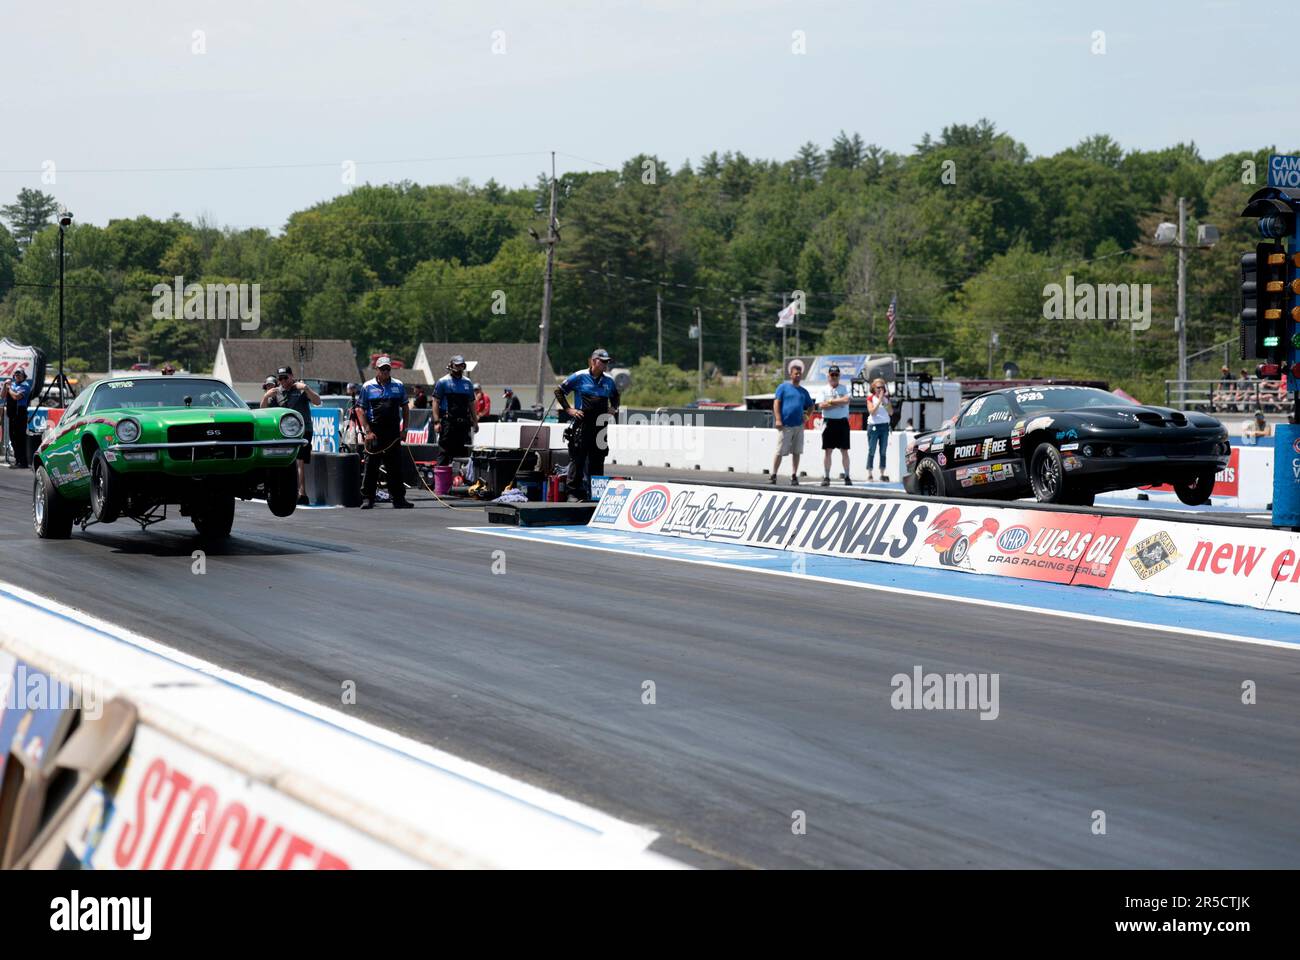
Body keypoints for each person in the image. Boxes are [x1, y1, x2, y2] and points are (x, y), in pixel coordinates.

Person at [556, 348, 620, 501]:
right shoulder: (579, 376)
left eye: (607, 362)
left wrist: (614, 408)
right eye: (602, 361)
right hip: (582, 424)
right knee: (578, 459)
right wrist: (568, 409)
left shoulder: (609, 381)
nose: (605, 365)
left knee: (598, 459)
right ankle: (573, 492)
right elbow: (559, 391)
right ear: (593, 361)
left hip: (601, 426)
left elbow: (616, 396)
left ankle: (596, 494)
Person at [357, 357, 412, 509]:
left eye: (388, 369)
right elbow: (360, 409)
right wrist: (367, 431)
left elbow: (405, 408)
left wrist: (404, 429)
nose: (386, 372)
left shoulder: (398, 385)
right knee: (371, 467)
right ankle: (368, 498)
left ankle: (398, 498)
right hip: (375, 431)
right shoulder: (368, 386)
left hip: (393, 432)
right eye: (383, 369)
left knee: (395, 467)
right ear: (377, 370)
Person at [261, 366, 320, 504]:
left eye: (285, 377)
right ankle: (283, 490)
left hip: (303, 430)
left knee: (299, 460)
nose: (283, 381)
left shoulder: (300, 389)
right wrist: (266, 396)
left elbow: (317, 402)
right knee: (285, 460)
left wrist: (306, 388)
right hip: (284, 431)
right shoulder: (276, 392)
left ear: (292, 376)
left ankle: (302, 493)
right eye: (280, 379)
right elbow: (263, 412)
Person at [770, 359, 814, 485]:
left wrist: (807, 417)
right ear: (791, 374)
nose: (798, 375)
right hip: (785, 425)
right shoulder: (783, 387)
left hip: (799, 426)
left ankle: (794, 475)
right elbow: (776, 403)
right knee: (780, 451)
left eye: (800, 374)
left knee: (796, 451)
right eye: (796, 373)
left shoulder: (803, 391)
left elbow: (811, 406)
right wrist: (778, 419)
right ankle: (773, 474)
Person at [432, 355, 478, 468]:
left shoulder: (467, 382)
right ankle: (440, 483)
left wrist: (475, 422)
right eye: (456, 365)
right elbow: (435, 402)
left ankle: (460, 481)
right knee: (444, 452)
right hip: (447, 422)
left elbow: (471, 403)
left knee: (461, 454)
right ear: (451, 366)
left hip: (462, 423)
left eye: (461, 365)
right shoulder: (443, 382)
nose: (459, 368)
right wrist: (437, 422)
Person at [816, 364, 852, 486]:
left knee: (844, 451)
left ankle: (847, 476)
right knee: (827, 451)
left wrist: (830, 401)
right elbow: (821, 405)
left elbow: (846, 401)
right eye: (832, 375)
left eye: (836, 375)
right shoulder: (823, 389)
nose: (834, 377)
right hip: (829, 422)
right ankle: (826, 477)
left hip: (842, 422)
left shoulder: (844, 388)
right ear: (828, 376)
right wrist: (838, 402)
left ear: (839, 376)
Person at [865, 377, 893, 482]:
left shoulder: (886, 399)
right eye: (878, 387)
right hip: (874, 427)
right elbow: (872, 412)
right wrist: (879, 400)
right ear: (874, 388)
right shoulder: (870, 398)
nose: (880, 389)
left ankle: (882, 473)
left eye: (882, 387)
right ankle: (870, 473)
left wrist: (884, 401)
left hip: (884, 426)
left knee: (883, 451)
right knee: (872, 450)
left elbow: (891, 412)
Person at [3, 368, 31, 469]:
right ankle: (17, 459)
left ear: (24, 376)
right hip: (12, 414)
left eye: (20, 375)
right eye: (16, 375)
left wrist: (9, 388)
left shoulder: (25, 386)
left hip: (20, 413)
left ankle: (23, 462)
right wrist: (5, 386)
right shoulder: (13, 385)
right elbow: (2, 396)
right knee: (13, 438)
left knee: (20, 438)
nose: (17, 376)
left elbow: (16, 397)